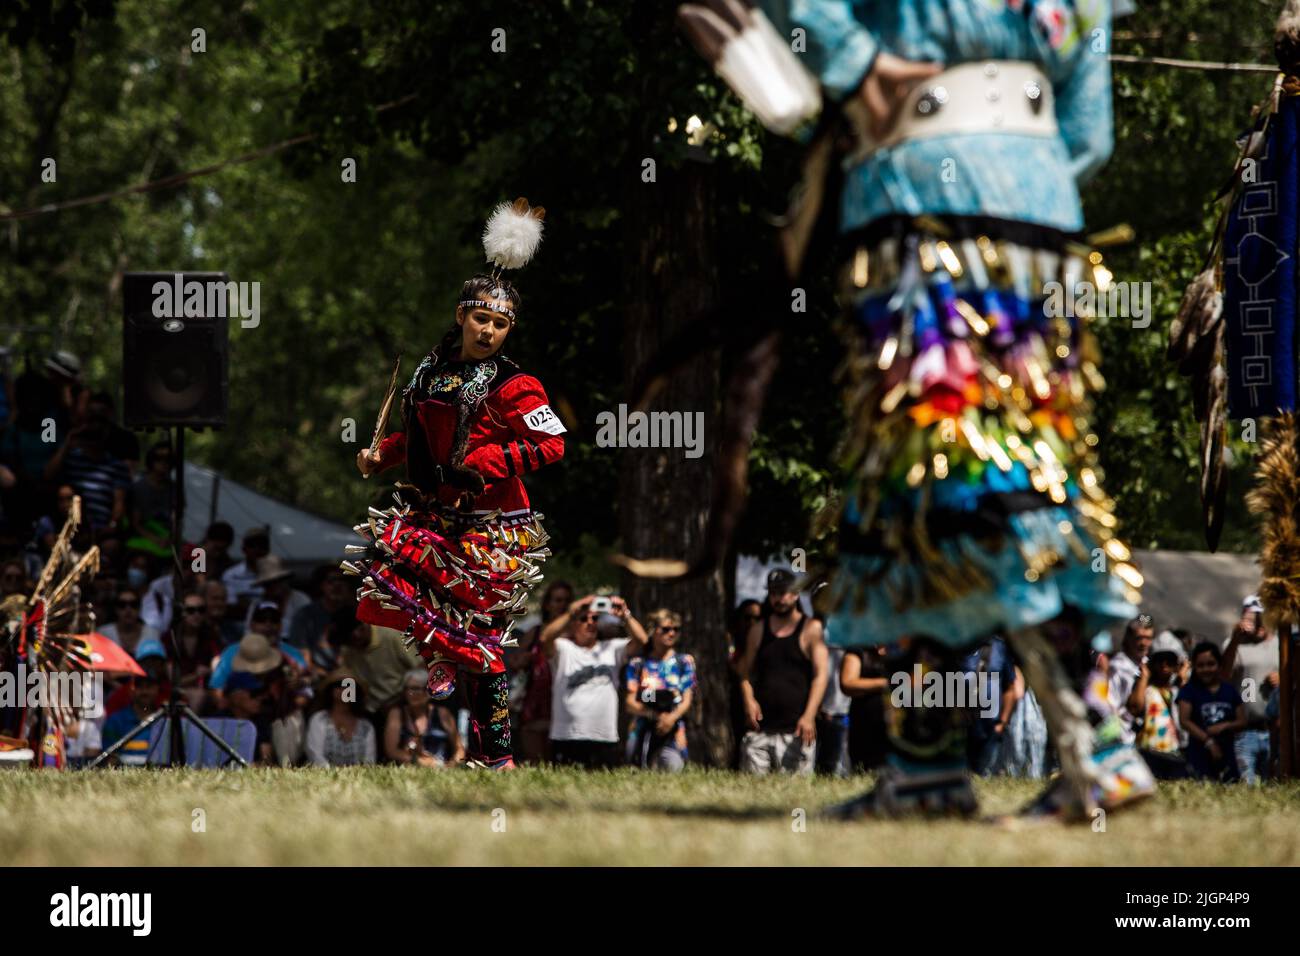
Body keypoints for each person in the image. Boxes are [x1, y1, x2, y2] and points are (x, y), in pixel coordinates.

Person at [750, 1, 1153, 820]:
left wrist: (858, 61)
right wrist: (1014, 174)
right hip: (1038, 218)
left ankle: (1093, 743)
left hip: (922, 197)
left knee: (965, 483)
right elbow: (1090, 133)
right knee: (954, 490)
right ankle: (927, 764)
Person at [352, 198, 563, 770]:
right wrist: (381, 456)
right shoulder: (430, 371)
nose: (489, 330)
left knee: (485, 647)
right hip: (438, 514)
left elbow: (552, 444)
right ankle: (443, 662)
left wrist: (490, 460)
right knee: (384, 581)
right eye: (481, 319)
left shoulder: (517, 384)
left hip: (497, 528)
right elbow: (420, 440)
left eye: (500, 323)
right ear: (461, 315)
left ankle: (496, 756)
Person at [539, 593, 649, 767]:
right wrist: (570, 612)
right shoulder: (563, 648)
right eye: (583, 619)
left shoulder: (612, 648)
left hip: (604, 737)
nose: (590, 622)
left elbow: (642, 640)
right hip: (566, 736)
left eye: (594, 618)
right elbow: (545, 637)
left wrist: (625, 615)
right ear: (573, 624)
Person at [736, 569, 829, 775]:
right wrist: (748, 701)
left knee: (795, 800)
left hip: (796, 730)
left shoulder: (811, 629)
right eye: (774, 593)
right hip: (761, 732)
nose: (779, 599)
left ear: (796, 594)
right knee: (752, 796)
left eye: (784, 592)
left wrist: (809, 715)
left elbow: (821, 676)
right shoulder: (758, 630)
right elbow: (744, 674)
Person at [624, 608, 695, 771]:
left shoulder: (684, 662)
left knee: (672, 768)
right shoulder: (638, 664)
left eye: (676, 629)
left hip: (673, 730)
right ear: (653, 631)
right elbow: (630, 703)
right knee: (636, 773)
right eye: (665, 629)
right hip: (642, 729)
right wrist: (654, 714)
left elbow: (687, 699)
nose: (671, 633)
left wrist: (670, 719)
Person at [1219, 595, 1280, 784]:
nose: (1258, 624)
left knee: (1275, 785)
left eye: (1262, 618)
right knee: (1247, 786)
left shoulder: (1281, 644)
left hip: (1276, 731)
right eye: (1253, 619)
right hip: (1245, 732)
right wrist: (1236, 639)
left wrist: (1283, 679)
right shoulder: (1235, 645)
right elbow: (1223, 677)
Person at [512, 579, 572, 764]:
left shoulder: (578, 631)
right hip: (537, 695)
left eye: (566, 601)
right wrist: (525, 659)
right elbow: (514, 663)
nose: (562, 605)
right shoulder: (535, 632)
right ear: (547, 604)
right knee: (535, 757)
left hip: (567, 696)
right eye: (557, 600)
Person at [1178, 642, 1246, 782]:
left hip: (1228, 756)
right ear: (1194, 667)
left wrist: (1224, 726)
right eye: (1200, 665)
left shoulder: (1229, 691)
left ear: (1219, 664)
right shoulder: (1189, 691)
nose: (1206, 669)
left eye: (1211, 664)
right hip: (1199, 756)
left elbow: (1242, 721)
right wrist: (1208, 741)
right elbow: (1184, 721)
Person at [384, 669, 464, 767]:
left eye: (415, 689)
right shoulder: (397, 713)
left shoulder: (442, 713)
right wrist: (419, 761)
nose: (410, 693)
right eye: (407, 689)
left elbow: (459, 748)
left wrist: (453, 764)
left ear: (428, 691)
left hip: (442, 769)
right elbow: (392, 751)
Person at [1136, 631, 1187, 780]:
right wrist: (1144, 677)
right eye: (1160, 660)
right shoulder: (1146, 689)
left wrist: (1182, 679)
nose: (1164, 665)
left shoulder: (1180, 690)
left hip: (1175, 753)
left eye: (1170, 660)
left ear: (1178, 664)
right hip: (1149, 752)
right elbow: (1135, 708)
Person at [306, 669, 377, 766]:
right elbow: (315, 756)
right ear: (331, 690)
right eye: (339, 685)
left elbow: (369, 761)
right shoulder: (319, 720)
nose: (345, 690)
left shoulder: (367, 727)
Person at [839, 645, 888, 772]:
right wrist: (885, 683)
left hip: (896, 728)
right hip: (866, 726)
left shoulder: (904, 648)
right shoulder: (859, 649)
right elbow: (847, 683)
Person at [1108, 614, 1155, 745]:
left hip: (1143, 739)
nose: (1144, 643)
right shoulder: (1117, 667)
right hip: (1121, 737)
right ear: (1128, 638)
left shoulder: (1147, 664)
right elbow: (1111, 707)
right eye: (1139, 637)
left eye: (1148, 638)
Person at [241, 555, 311, 642]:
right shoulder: (257, 604)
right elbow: (248, 632)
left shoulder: (301, 600)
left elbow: (310, 630)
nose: (273, 585)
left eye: (277, 581)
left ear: (285, 580)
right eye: (269, 583)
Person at [126, 440, 173, 559]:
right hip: (142, 540)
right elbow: (135, 523)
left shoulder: (175, 489)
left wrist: (170, 539)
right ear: (151, 461)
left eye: (168, 460)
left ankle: (200, 576)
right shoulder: (138, 487)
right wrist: (155, 540)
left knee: (198, 553)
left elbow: (177, 519)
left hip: (168, 540)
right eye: (159, 459)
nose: (164, 463)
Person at [221, 526, 271, 617]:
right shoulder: (231, 575)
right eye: (252, 545)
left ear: (268, 550)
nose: (257, 550)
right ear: (244, 549)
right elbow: (230, 607)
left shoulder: (274, 575)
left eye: (262, 546)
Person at [99, 588, 160, 657]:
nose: (128, 609)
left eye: (133, 604)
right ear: (116, 609)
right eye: (122, 605)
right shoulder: (103, 633)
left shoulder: (151, 634)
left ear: (139, 608)